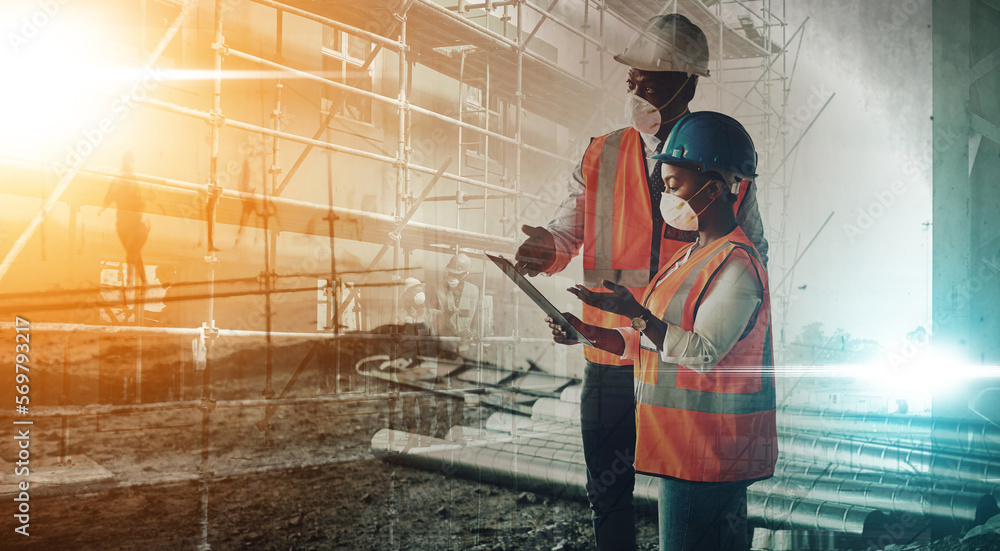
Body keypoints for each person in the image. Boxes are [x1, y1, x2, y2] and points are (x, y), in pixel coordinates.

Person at [514, 14, 767, 551]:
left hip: (682, 364)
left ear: (687, 82)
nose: (636, 88)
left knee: (697, 494)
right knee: (608, 490)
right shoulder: (600, 154)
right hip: (610, 353)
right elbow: (569, 230)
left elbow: (750, 253)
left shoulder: (721, 159)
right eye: (632, 78)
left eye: (650, 79)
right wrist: (547, 249)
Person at [548, 111, 777, 551]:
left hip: (708, 453)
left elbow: (702, 350)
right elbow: (648, 341)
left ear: (712, 189)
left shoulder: (736, 264)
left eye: (672, 186)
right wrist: (590, 332)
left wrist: (637, 313)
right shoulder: (690, 256)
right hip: (684, 449)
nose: (663, 198)